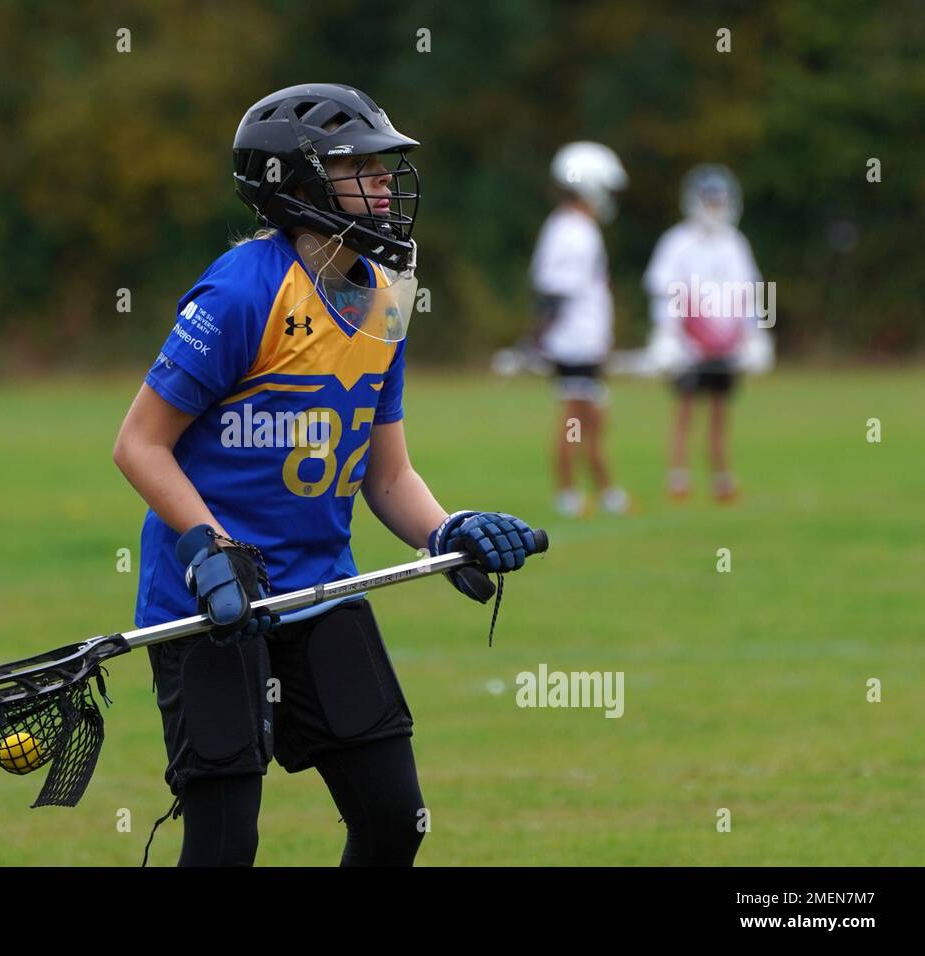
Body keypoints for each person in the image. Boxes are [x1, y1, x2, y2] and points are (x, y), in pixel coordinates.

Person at [112, 83, 543, 866]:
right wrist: (211, 549)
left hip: (320, 589)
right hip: (208, 600)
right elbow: (139, 444)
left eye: (387, 169)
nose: (385, 185)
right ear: (296, 181)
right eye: (363, 169)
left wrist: (448, 531)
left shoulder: (383, 298)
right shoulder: (243, 289)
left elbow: (387, 475)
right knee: (222, 846)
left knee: (393, 820)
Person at [643, 164, 770, 501]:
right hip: (689, 344)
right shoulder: (677, 242)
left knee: (719, 412)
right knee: (685, 409)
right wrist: (667, 336)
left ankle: (721, 476)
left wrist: (756, 336)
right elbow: (664, 292)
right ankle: (678, 476)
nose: (715, 208)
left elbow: (751, 295)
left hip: (726, 344)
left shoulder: (734, 244)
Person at [529, 141, 630, 518]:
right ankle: (572, 494)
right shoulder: (574, 231)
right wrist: (539, 338)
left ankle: (604, 492)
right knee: (575, 421)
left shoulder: (569, 226)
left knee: (592, 421)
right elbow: (556, 292)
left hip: (581, 342)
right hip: (575, 344)